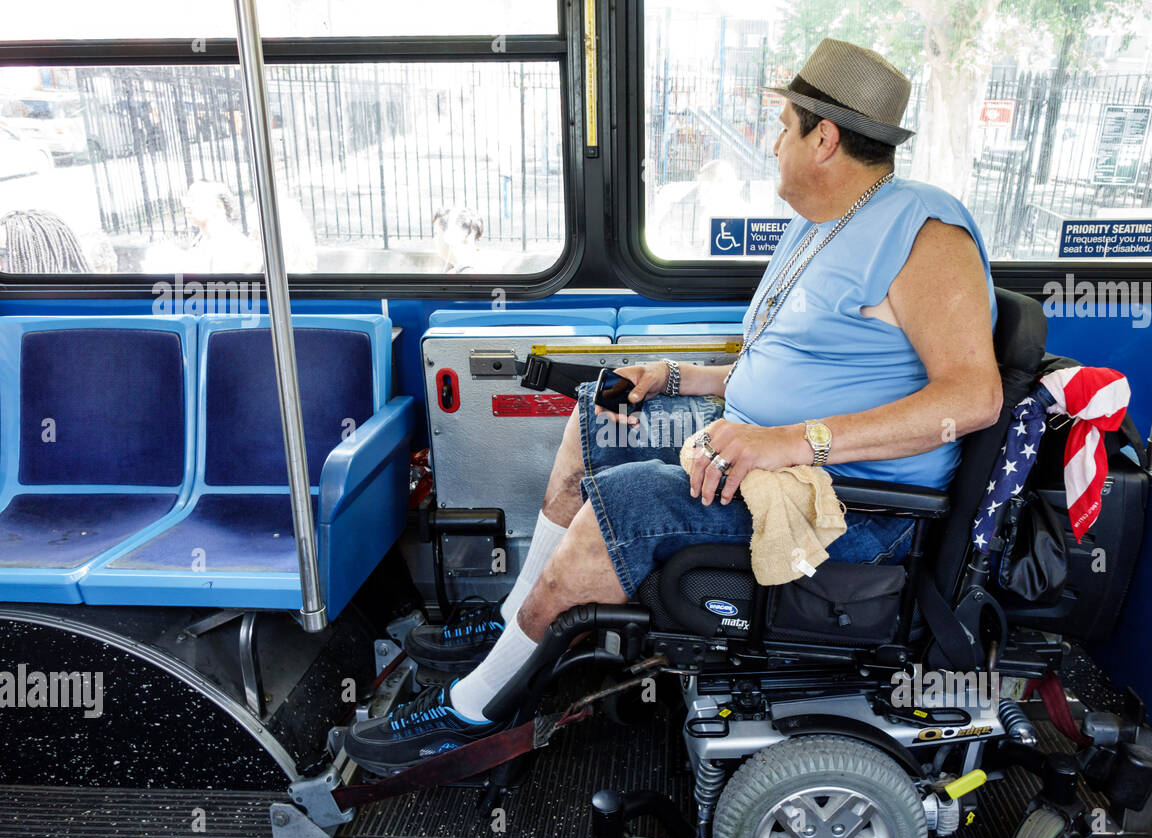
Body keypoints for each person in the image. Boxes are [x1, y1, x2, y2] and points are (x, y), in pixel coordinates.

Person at [346, 39, 1003, 772]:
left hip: (853, 509)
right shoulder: (821, 226)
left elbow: (973, 398)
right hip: (766, 452)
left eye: (782, 127)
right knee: (595, 415)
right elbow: (789, 370)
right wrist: (674, 376)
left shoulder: (925, 234)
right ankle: (515, 624)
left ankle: (473, 713)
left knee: (621, 504)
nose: (771, 143)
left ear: (824, 138)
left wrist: (793, 442)